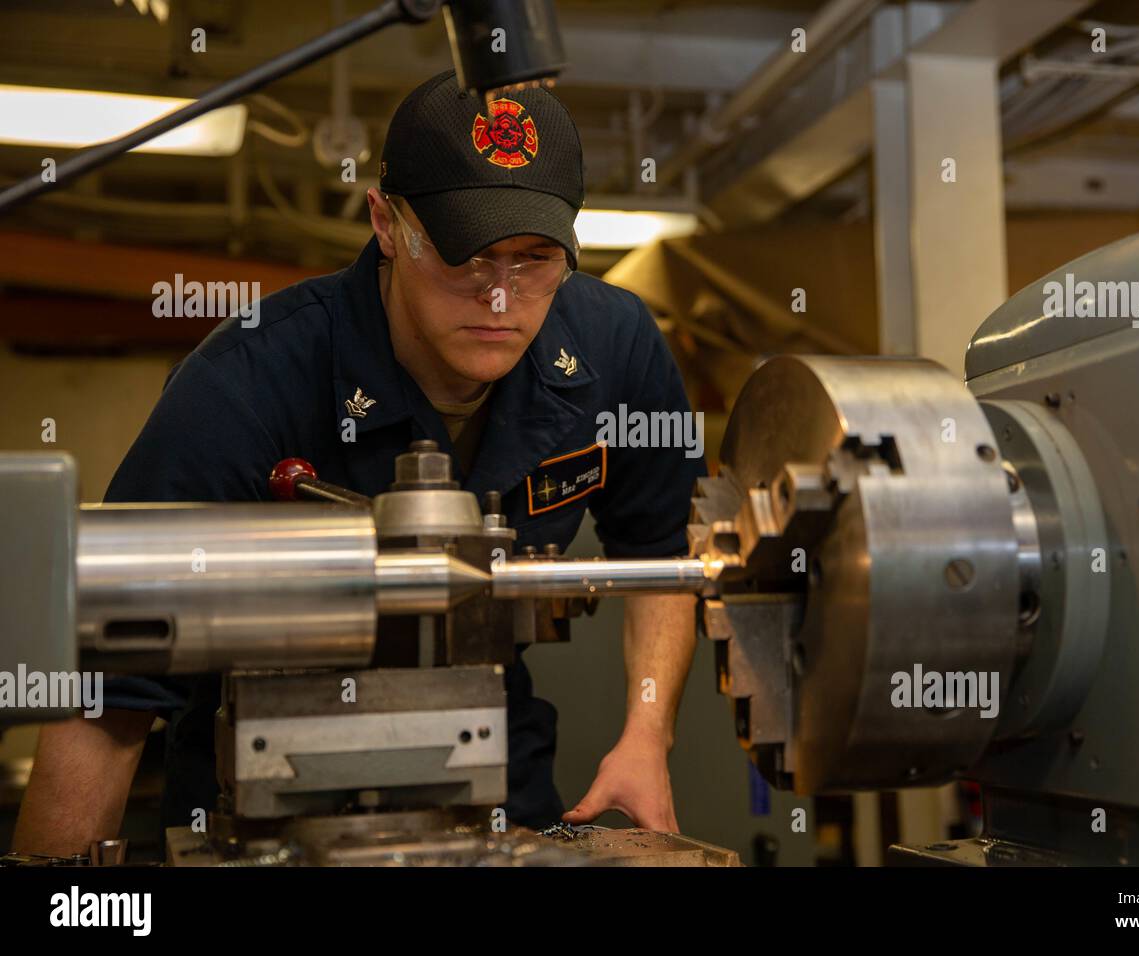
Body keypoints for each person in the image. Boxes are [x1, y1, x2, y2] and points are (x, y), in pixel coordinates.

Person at [13, 70, 705, 856]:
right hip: (263, 799)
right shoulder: (245, 385)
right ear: (385, 220)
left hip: (496, 783)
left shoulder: (616, 350)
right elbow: (106, 692)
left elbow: (664, 554)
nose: (502, 298)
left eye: (535, 259)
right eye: (464, 255)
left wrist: (648, 733)